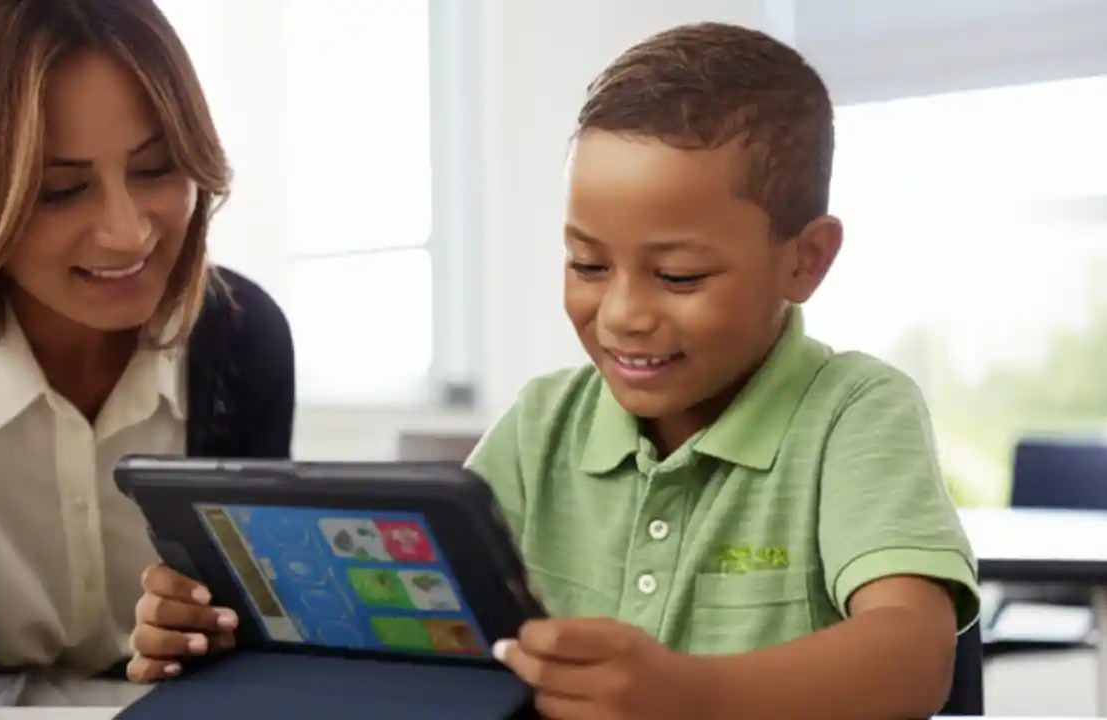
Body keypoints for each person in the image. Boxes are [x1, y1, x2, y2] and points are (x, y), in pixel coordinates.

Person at [131, 22, 977, 720]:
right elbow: (427, 634)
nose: (622, 314)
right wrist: (224, 633)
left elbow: (910, 656)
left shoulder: (856, 413)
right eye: (587, 264)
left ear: (806, 261)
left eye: (678, 276)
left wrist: (695, 695)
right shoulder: (543, 425)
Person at [0, 0, 294, 705]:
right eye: (61, 190)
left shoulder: (242, 340)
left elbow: (252, 656)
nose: (125, 231)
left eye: (155, 168)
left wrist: (219, 641)